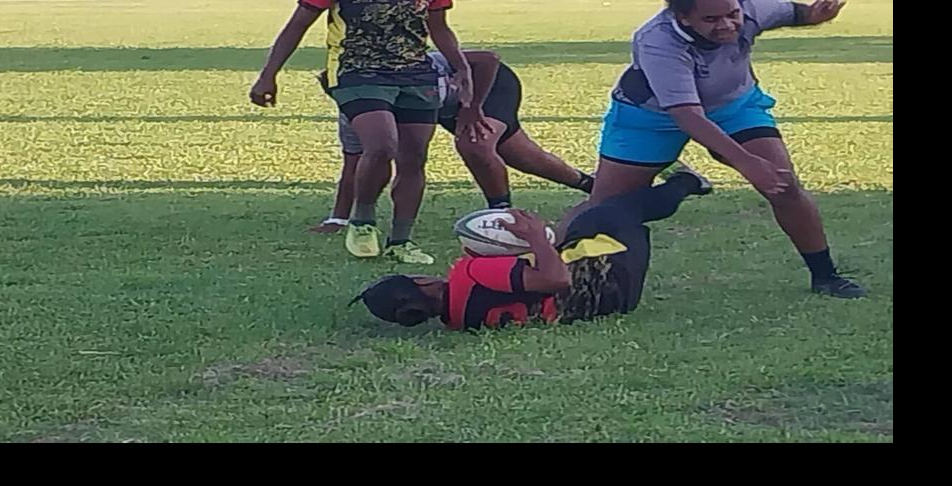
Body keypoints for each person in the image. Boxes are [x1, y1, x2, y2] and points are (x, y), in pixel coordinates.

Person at [585, 0, 867, 298]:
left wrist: (814, 15)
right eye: (711, 19)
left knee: (783, 185)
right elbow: (688, 116)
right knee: (605, 207)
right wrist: (747, 163)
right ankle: (558, 267)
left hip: (733, 105)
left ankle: (826, 276)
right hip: (651, 116)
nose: (727, 25)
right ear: (683, 17)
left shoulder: (750, 9)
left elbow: (796, 13)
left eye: (732, 15)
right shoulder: (657, 39)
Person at [352, 165, 713, 329]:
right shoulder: (470, 273)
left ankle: (678, 181)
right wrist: (537, 236)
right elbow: (556, 280)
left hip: (614, 305)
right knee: (614, 211)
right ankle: (686, 182)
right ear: (423, 283)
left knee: (580, 223)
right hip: (608, 274)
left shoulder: (460, 322)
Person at [251, 0, 473, 265]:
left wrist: (462, 67)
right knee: (381, 145)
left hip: (416, 75)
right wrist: (268, 74)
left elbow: (439, 26)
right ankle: (362, 221)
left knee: (413, 157)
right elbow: (298, 24)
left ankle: (401, 241)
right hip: (356, 72)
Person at [311, 49, 596, 233]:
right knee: (522, 156)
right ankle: (591, 185)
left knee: (474, 143)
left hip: (487, 87)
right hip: (443, 105)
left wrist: (472, 106)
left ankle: (502, 214)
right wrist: (338, 219)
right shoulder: (355, 109)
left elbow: (487, 60)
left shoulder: (412, 66)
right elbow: (355, 164)